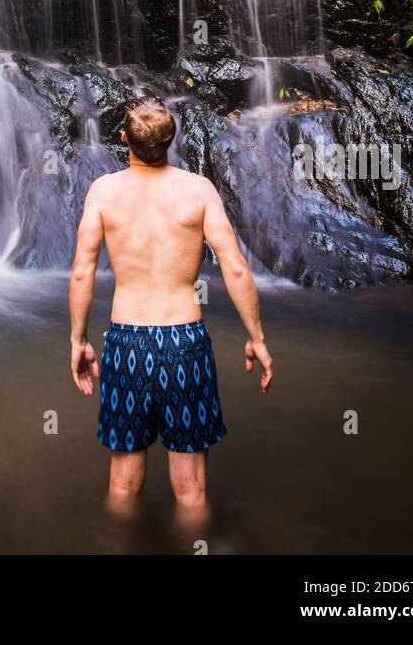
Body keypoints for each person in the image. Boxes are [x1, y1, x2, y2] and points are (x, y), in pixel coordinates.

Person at [69, 95, 273, 519]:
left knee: (123, 485)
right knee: (192, 490)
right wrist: (257, 338)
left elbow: (81, 272)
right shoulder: (198, 191)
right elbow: (235, 269)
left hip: (126, 342)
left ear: (124, 139)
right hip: (184, 340)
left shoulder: (104, 192)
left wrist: (78, 341)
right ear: (170, 142)